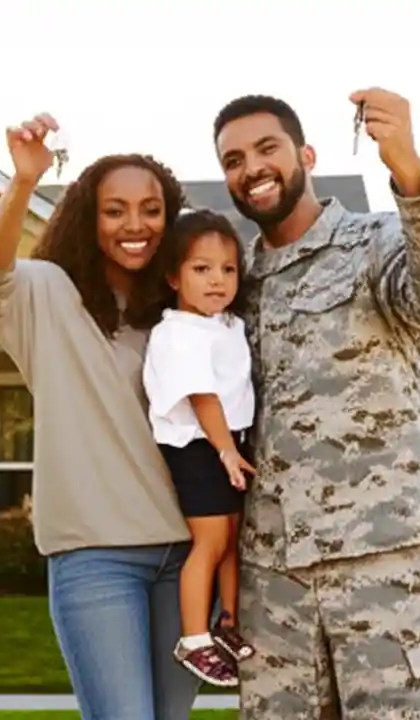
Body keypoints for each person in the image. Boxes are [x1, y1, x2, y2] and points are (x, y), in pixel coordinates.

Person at [211, 90, 420, 719]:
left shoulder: (376, 241)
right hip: (274, 582)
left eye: (266, 148)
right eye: (233, 159)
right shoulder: (230, 284)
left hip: (388, 570)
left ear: (306, 155)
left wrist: (408, 169)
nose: (251, 168)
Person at [0, 112, 200, 719]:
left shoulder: (185, 313)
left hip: (188, 558)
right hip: (97, 558)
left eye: (151, 210)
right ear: (88, 219)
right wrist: (23, 181)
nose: (135, 225)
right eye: (114, 210)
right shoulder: (46, 294)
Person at [142, 209, 258, 688]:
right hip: (197, 446)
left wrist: (232, 447)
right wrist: (226, 451)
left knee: (231, 539)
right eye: (201, 268)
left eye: (228, 269)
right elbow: (201, 396)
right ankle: (193, 639)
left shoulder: (224, 324)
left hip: (227, 444)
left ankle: (228, 622)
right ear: (174, 277)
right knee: (209, 542)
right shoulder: (178, 332)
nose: (217, 280)